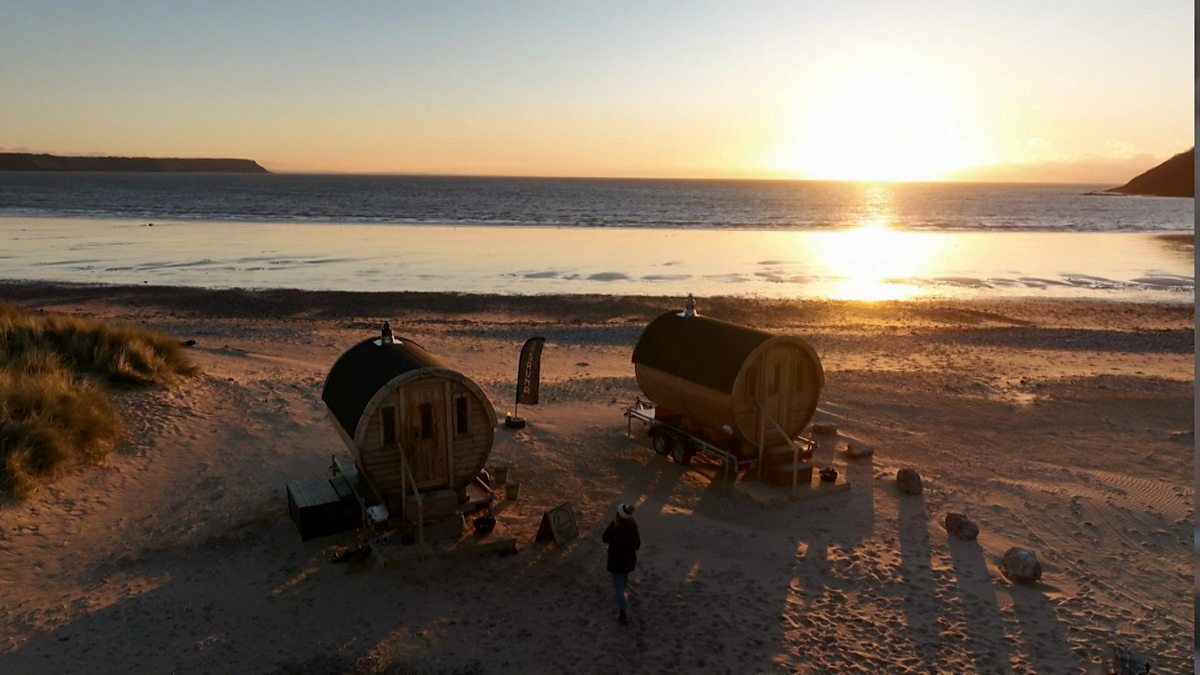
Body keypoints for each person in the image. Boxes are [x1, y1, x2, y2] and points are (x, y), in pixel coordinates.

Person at [602, 502, 641, 625]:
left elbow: (604, 538)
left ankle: (622, 610)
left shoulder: (614, 526)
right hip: (628, 559)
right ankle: (622, 599)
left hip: (616, 560)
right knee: (623, 580)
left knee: (618, 585)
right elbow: (637, 545)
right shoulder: (633, 525)